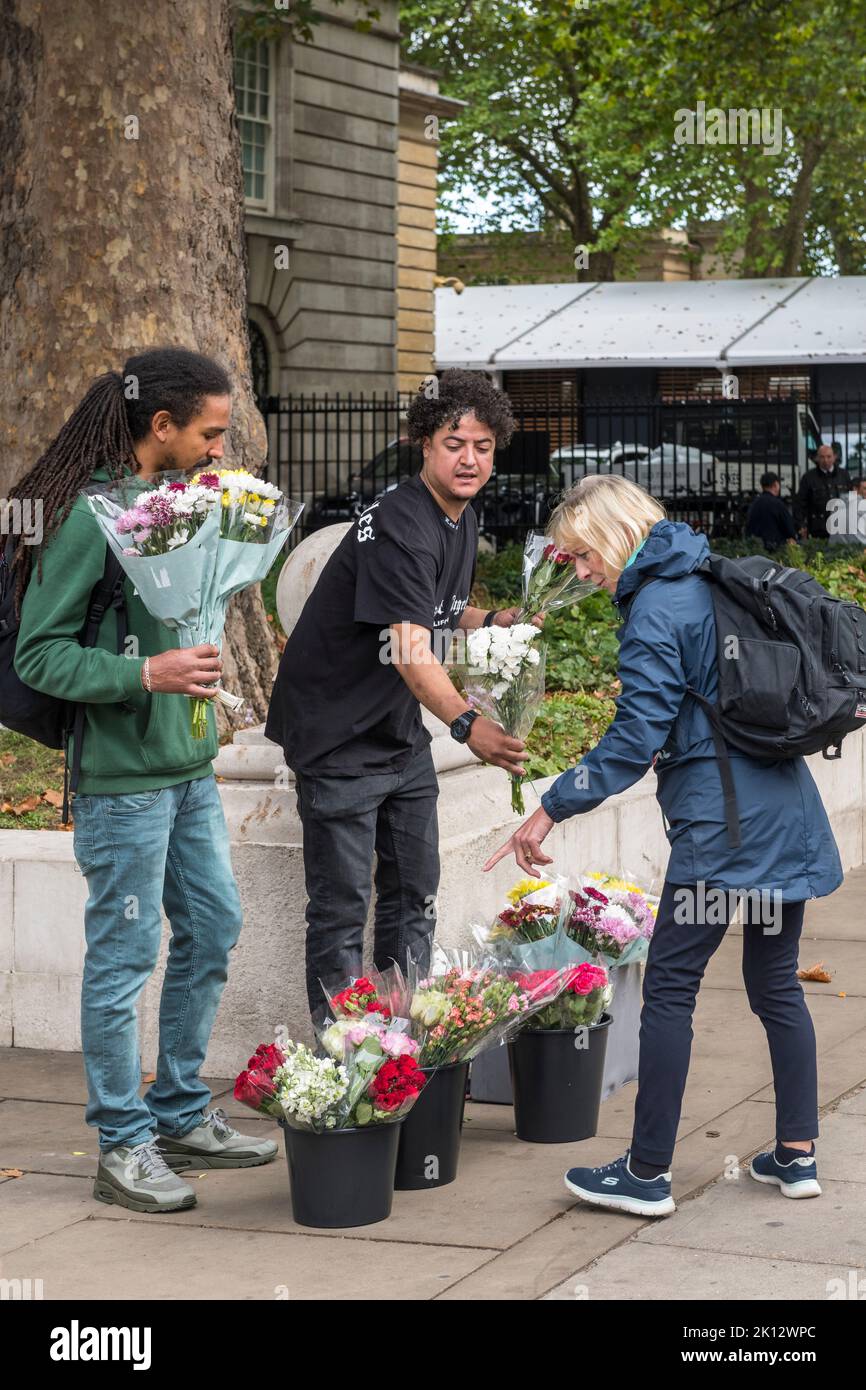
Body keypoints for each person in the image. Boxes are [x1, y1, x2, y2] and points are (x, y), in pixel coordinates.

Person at [485, 473, 841, 1218]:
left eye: (583, 555)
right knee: (776, 987)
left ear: (615, 534)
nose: (580, 573)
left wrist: (548, 809)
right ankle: (798, 1156)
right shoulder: (711, 576)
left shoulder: (654, 609)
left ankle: (646, 1173)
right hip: (784, 816)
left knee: (671, 990)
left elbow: (631, 741)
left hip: (721, 837)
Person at [11, 347, 277, 1214]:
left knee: (213, 927)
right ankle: (121, 1146)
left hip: (189, 767)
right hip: (122, 781)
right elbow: (40, 653)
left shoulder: (176, 504)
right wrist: (144, 676)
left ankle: (177, 1114)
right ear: (158, 426)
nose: (219, 448)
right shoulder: (90, 514)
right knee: (125, 958)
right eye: (209, 432)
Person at [266, 370, 536, 1018]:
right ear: (423, 443)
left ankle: (403, 1040)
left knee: (414, 894)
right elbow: (413, 648)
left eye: (482, 446)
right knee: (340, 912)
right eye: (454, 443)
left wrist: (492, 621)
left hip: (396, 737)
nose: (469, 458)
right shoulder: (398, 521)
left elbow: (437, 608)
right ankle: (347, 1062)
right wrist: (470, 724)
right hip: (336, 737)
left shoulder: (458, 518)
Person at [795, 443, 851, 539]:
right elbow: (800, 503)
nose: (825, 460)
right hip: (819, 528)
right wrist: (800, 525)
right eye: (822, 457)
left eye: (829, 457)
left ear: (834, 457)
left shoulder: (844, 475)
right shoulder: (809, 477)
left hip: (841, 527)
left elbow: (850, 498)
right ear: (817, 458)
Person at [744, 472, 797, 549]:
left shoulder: (754, 504)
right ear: (775, 484)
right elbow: (789, 529)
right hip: (775, 547)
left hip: (756, 548)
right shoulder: (778, 504)